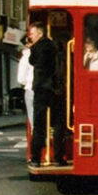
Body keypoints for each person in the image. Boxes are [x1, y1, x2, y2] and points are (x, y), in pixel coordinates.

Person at [27, 21, 66, 167]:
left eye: (32, 34)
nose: (31, 37)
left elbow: (32, 61)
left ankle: (36, 158)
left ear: (40, 33)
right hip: (55, 89)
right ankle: (59, 157)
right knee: (59, 124)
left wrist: (31, 48)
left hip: (41, 89)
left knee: (39, 125)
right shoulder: (55, 46)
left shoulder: (37, 47)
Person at [16, 39, 34, 126]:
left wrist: (28, 81)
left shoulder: (25, 58)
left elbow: (21, 79)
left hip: (30, 89)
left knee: (33, 118)